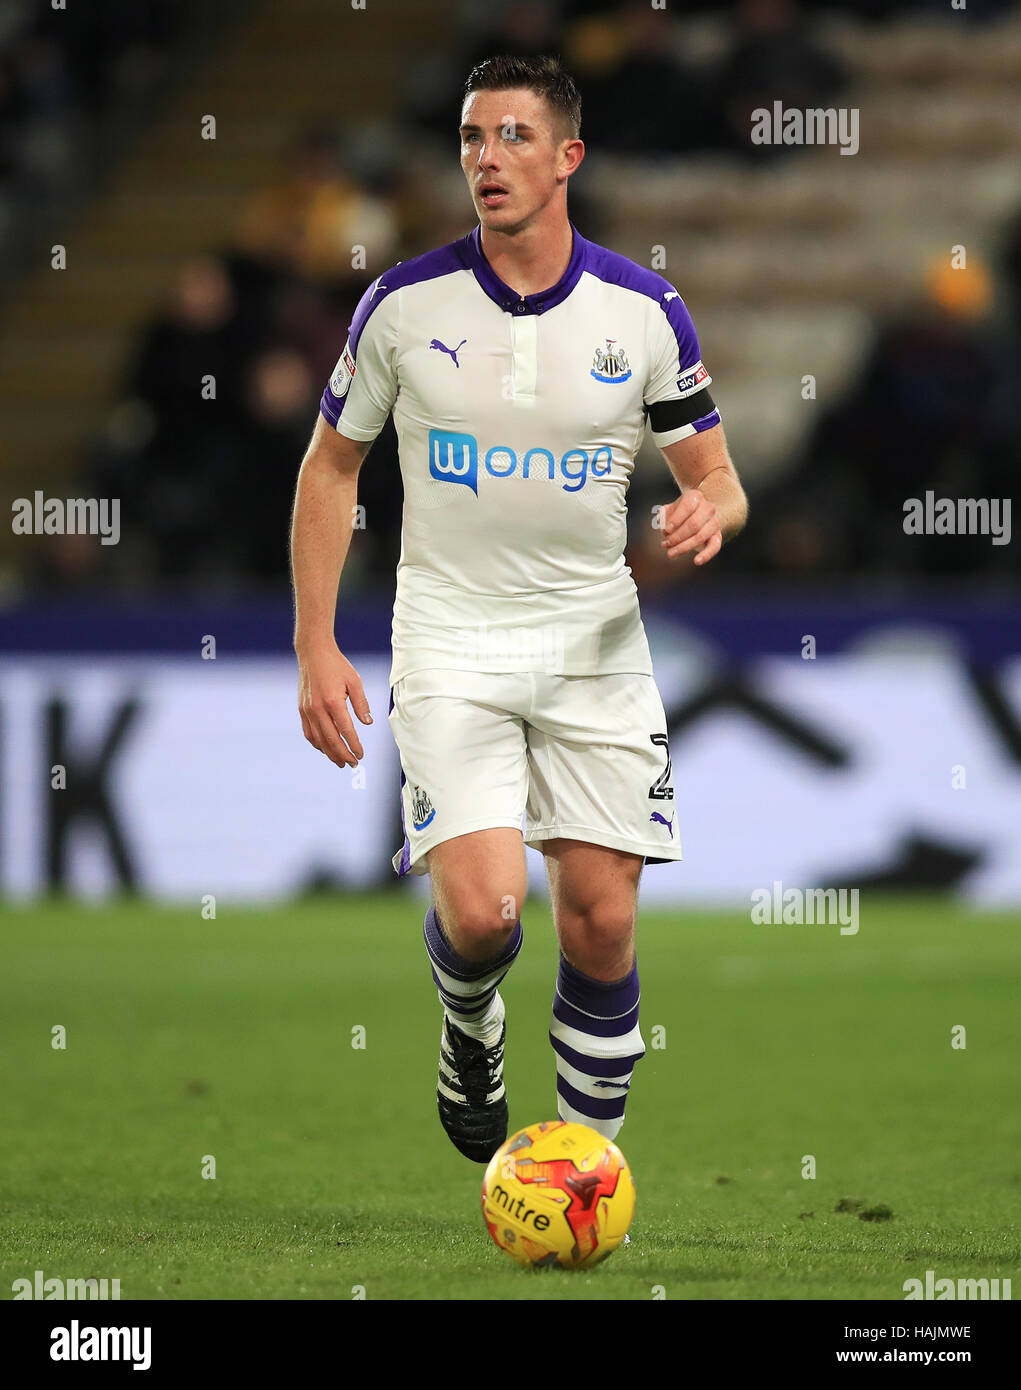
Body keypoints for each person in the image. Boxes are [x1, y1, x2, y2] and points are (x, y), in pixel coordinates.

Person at [290, 55, 747, 1163]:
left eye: (512, 137)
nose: (486, 160)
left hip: (593, 644)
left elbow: (715, 475)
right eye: (470, 138)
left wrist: (711, 511)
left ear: (566, 157)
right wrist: (315, 640)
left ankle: (584, 1176)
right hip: (450, 639)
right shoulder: (401, 306)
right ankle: (467, 1025)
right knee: (489, 914)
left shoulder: (643, 312)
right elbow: (328, 470)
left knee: (599, 919)